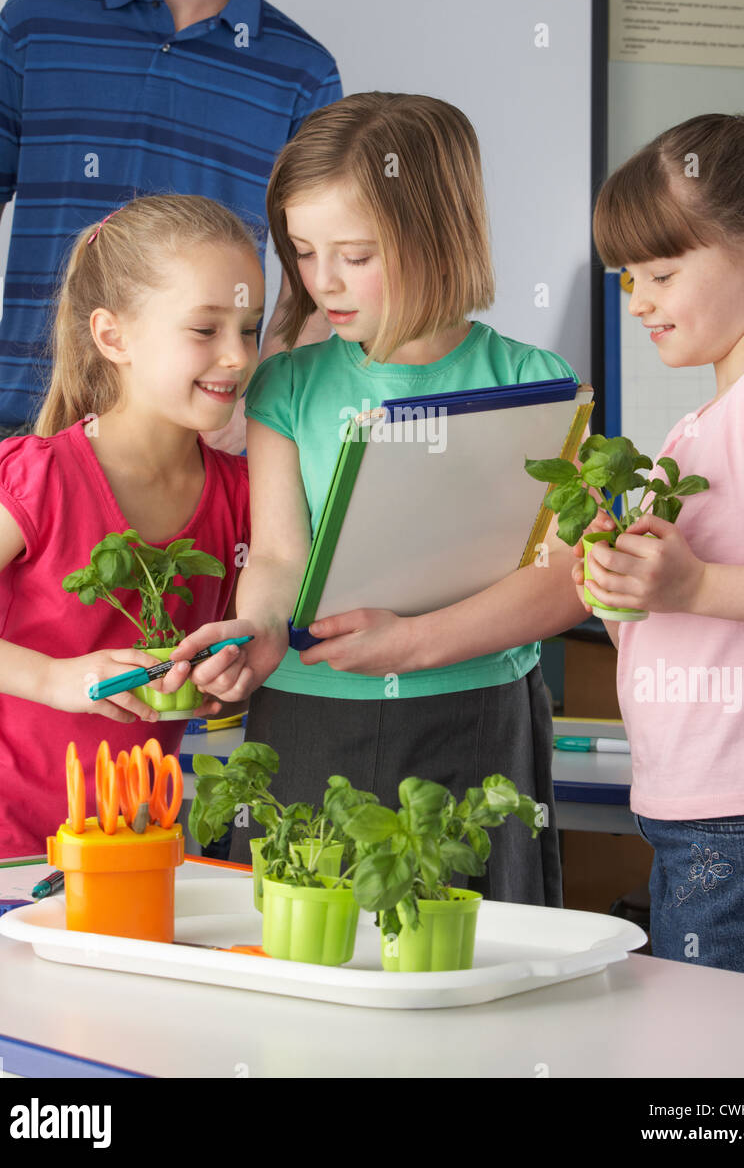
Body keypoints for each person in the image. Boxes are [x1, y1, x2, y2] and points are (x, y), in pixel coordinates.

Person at [173, 92, 589, 905]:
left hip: (475, 715)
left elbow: (567, 578)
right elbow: (282, 552)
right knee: (307, 961)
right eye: (301, 251)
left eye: (354, 255)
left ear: (437, 234)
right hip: (306, 714)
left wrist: (415, 644)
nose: (321, 281)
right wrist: (257, 631)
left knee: (472, 965)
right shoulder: (287, 387)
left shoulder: (534, 383)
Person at [0, 0, 337, 656]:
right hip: (23, 431)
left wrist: (258, 413)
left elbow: (315, 280)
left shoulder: (301, 72)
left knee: (148, 738)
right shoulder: (33, 26)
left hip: (195, 467)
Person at [570, 94, 744, 986]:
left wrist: (694, 588)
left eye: (663, 273)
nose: (638, 300)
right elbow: (672, 620)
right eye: (628, 277)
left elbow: (709, 595)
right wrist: (620, 588)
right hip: (705, 806)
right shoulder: (703, 425)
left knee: (729, 1068)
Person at [0, 195, 261, 861]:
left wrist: (224, 673)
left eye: (250, 328)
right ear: (112, 336)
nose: (238, 357)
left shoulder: (240, 493)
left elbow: (231, 645)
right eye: (206, 330)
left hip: (136, 842)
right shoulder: (44, 476)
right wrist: (54, 679)